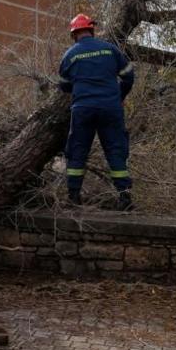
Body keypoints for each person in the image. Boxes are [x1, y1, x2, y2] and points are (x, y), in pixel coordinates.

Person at [58, 14, 136, 210]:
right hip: (110, 108)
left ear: (73, 34)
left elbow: (64, 86)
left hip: (82, 109)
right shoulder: (110, 49)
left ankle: (73, 197)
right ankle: (125, 198)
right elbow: (128, 77)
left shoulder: (69, 55)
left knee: (77, 150)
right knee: (115, 150)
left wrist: (80, 88)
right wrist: (118, 97)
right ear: (91, 30)